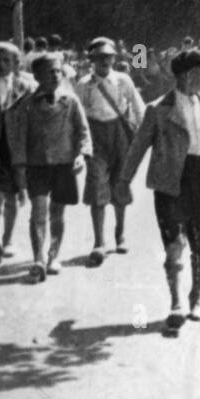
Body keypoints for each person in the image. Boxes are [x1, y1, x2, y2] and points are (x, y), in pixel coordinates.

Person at [122, 48, 200, 330]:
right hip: (171, 181)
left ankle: (197, 296)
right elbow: (137, 149)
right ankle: (176, 302)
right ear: (188, 75)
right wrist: (123, 183)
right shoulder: (159, 109)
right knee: (174, 242)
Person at [7, 53, 93, 283]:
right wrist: (20, 167)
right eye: (49, 71)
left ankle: (53, 256)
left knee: (58, 214)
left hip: (63, 165)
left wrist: (81, 156)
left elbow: (83, 132)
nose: (55, 75)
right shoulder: (27, 105)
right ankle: (37, 259)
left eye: (57, 70)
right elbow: (19, 138)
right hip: (37, 165)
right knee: (38, 211)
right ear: (37, 76)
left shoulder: (71, 100)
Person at [75, 37, 145, 264]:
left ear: (114, 58)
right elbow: (77, 115)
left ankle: (120, 233)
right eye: (99, 57)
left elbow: (138, 106)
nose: (104, 61)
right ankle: (99, 242)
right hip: (95, 136)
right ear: (92, 60)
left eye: (108, 57)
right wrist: (79, 147)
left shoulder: (123, 80)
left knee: (120, 184)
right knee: (97, 186)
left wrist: (145, 135)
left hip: (120, 135)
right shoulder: (84, 84)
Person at [0, 41, 35, 267]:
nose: (2, 65)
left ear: (16, 63)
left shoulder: (26, 87)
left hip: (15, 151)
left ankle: (8, 239)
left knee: (12, 196)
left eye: (7, 60)